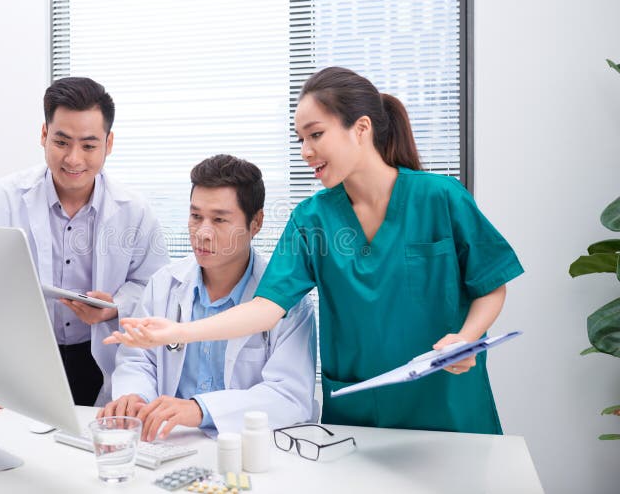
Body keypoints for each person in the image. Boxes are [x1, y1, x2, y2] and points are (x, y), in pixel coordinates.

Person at [105, 67, 524, 435]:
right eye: (301, 137)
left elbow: (491, 284)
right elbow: (267, 308)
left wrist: (466, 339)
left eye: (316, 135)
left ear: (361, 129)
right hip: (359, 411)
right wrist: (180, 332)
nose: (305, 151)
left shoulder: (440, 197)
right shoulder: (312, 218)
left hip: (446, 401)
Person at [0, 77, 169, 417]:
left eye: (88, 145)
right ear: (44, 135)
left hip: (98, 357)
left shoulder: (135, 211)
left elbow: (155, 287)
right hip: (23, 355)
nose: (73, 159)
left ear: (108, 143)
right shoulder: (1, 200)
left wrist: (114, 306)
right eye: (61, 142)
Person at [99, 155, 316, 441]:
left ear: (256, 223)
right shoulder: (165, 284)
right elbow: (138, 360)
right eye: (196, 216)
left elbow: (289, 396)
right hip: (170, 441)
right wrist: (135, 395)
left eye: (219, 220)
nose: (202, 233)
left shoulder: (287, 302)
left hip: (245, 448)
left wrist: (202, 410)